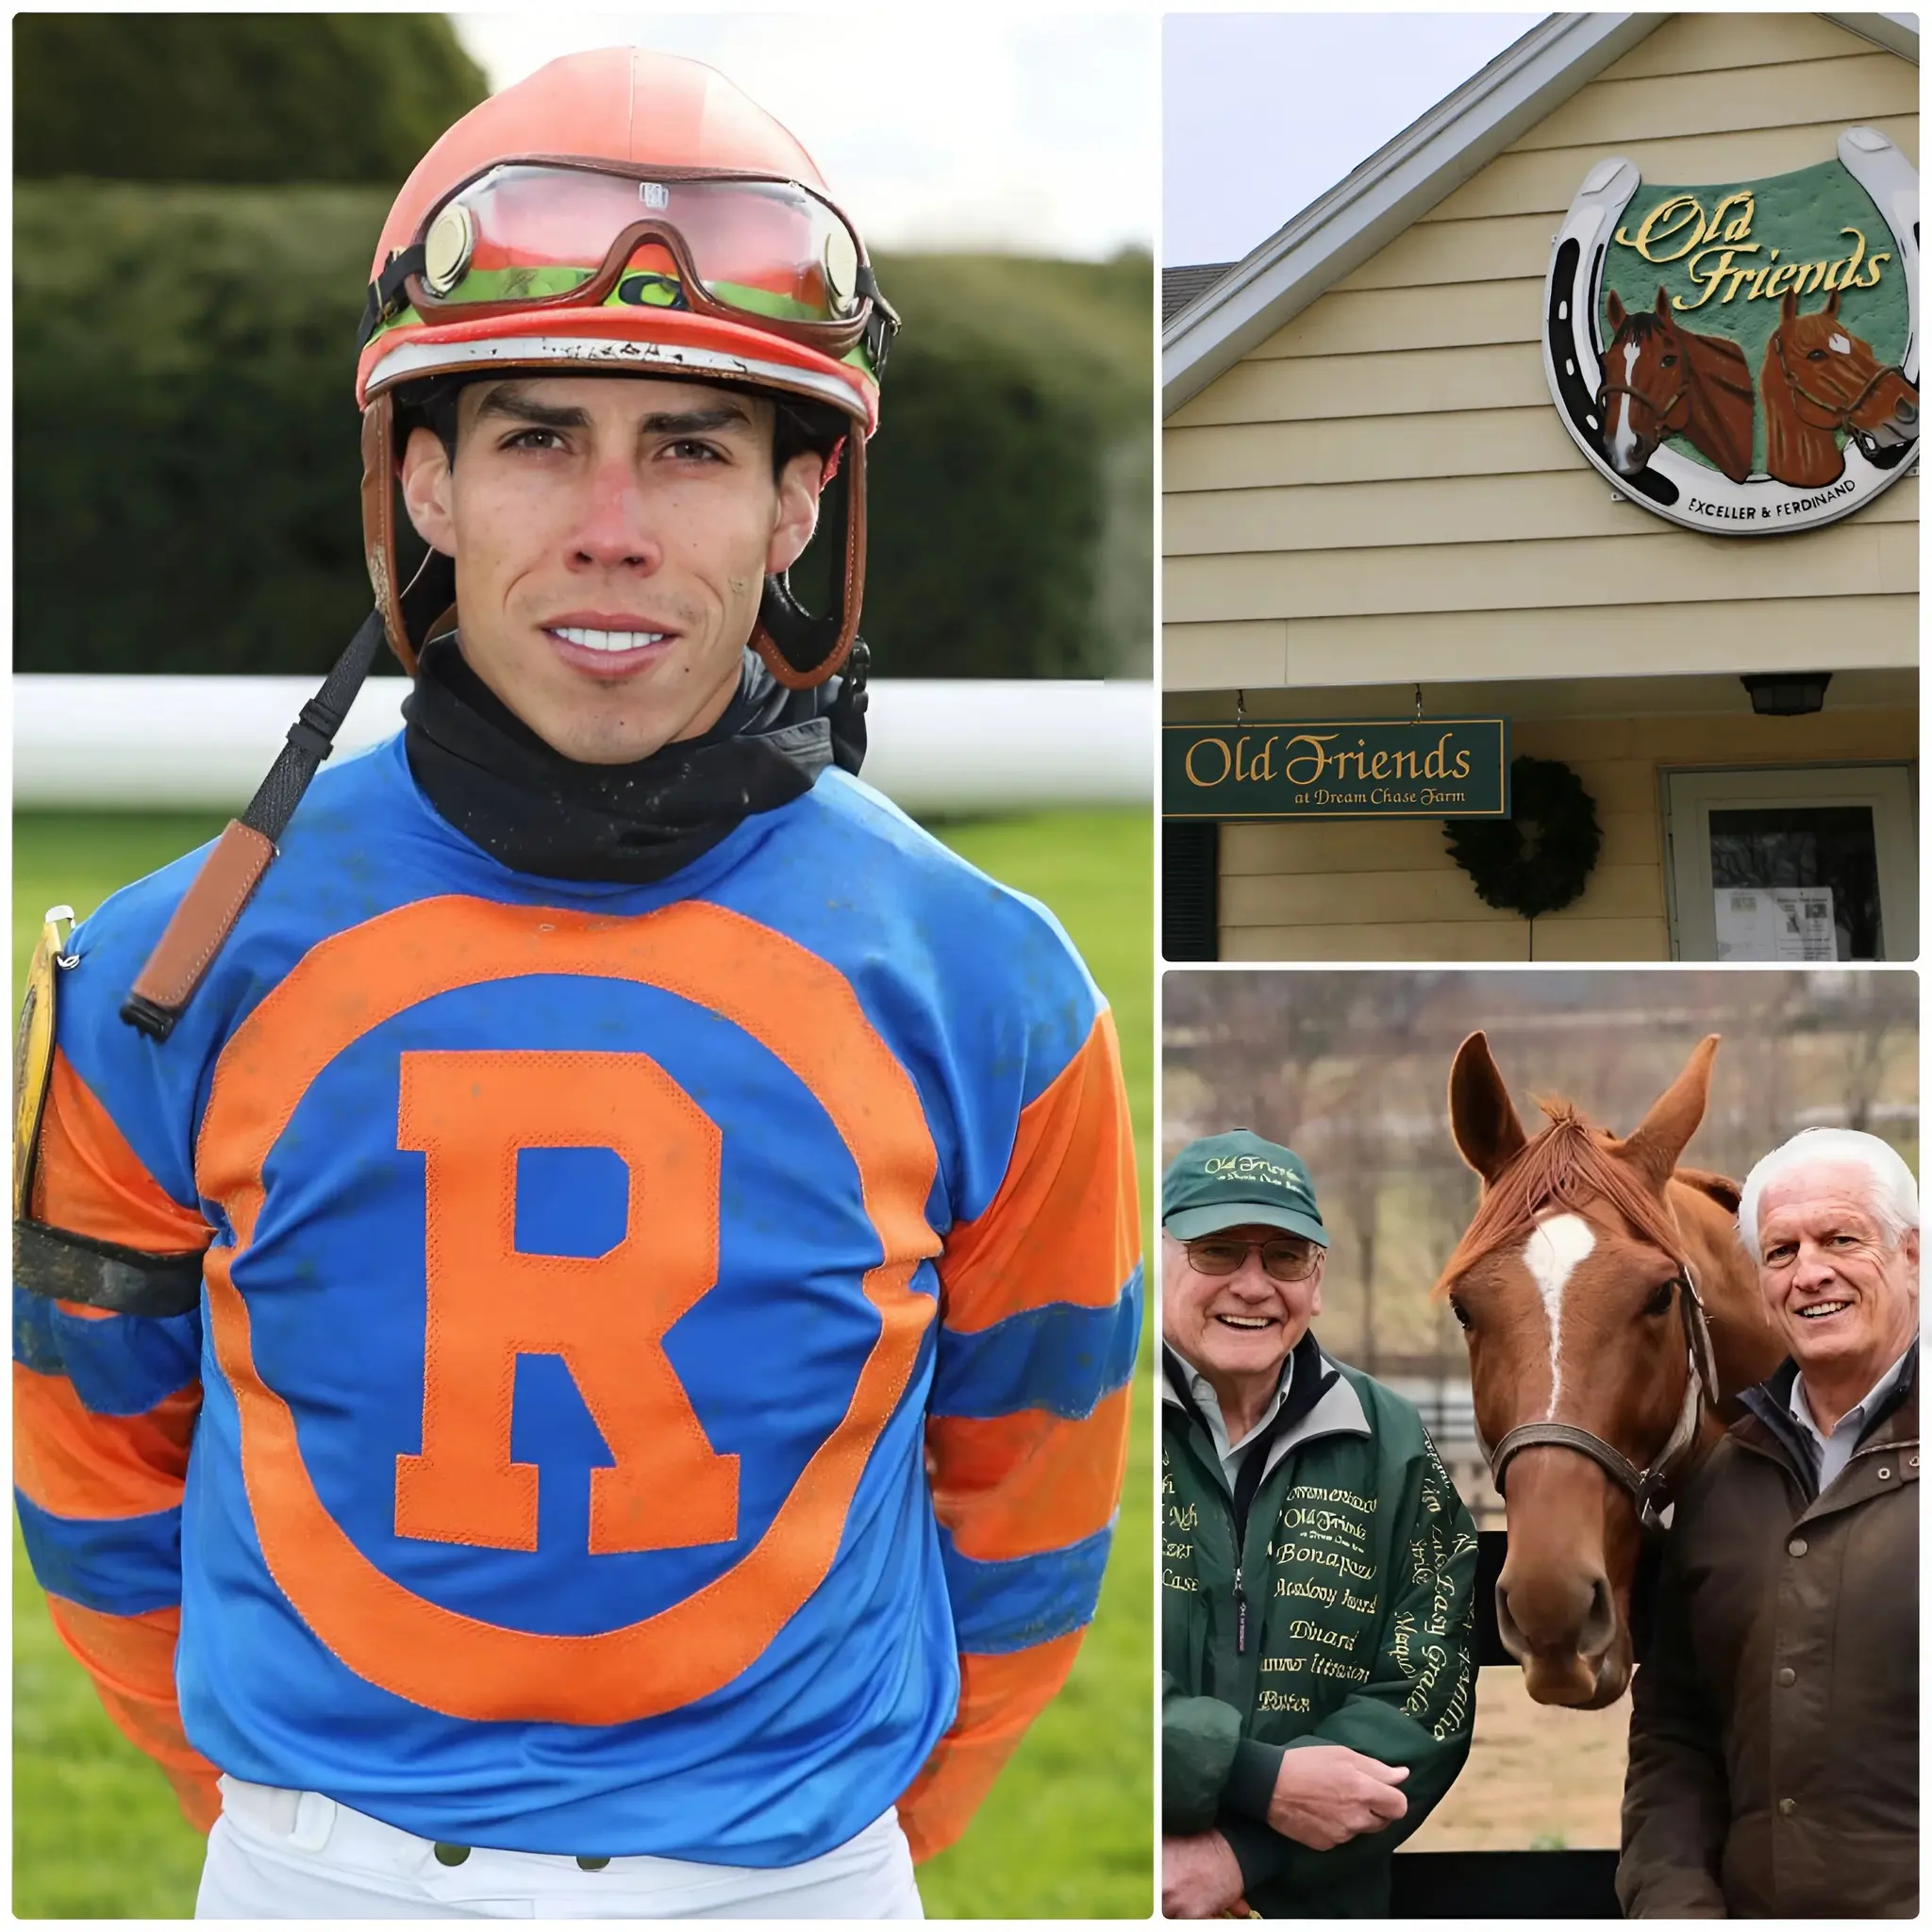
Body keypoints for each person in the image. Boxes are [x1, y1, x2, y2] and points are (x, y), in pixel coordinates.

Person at [10, 49, 1141, 1921]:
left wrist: (828, 1837)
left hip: (792, 1883)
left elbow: (1031, 1502)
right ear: (426, 482)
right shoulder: (159, 970)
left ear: (799, 505)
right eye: (540, 436)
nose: (611, 523)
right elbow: (89, 1458)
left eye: (692, 445)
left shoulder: (998, 988)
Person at [1159, 1129, 1476, 1919]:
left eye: (1286, 1258)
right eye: (1219, 1252)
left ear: (1320, 1279)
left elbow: (1427, 1696)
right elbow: (1061, 1672)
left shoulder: (1393, 1442)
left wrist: (1240, 1858)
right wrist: (1254, 1780)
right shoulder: (1088, 1421)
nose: (1254, 1286)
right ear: (1159, 1256)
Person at [1619, 1127, 1918, 1918]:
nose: (1809, 1271)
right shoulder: (1723, 1484)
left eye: (1841, 1239)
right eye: (1780, 1253)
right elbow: (1674, 1737)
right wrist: (1672, 1905)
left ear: (1914, 1254)